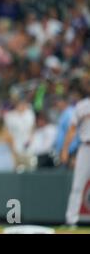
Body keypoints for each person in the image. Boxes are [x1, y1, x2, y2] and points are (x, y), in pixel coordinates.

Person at [61, 85, 90, 227]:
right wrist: (65, 149)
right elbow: (72, 129)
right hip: (85, 147)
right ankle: (71, 220)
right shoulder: (82, 106)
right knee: (77, 185)